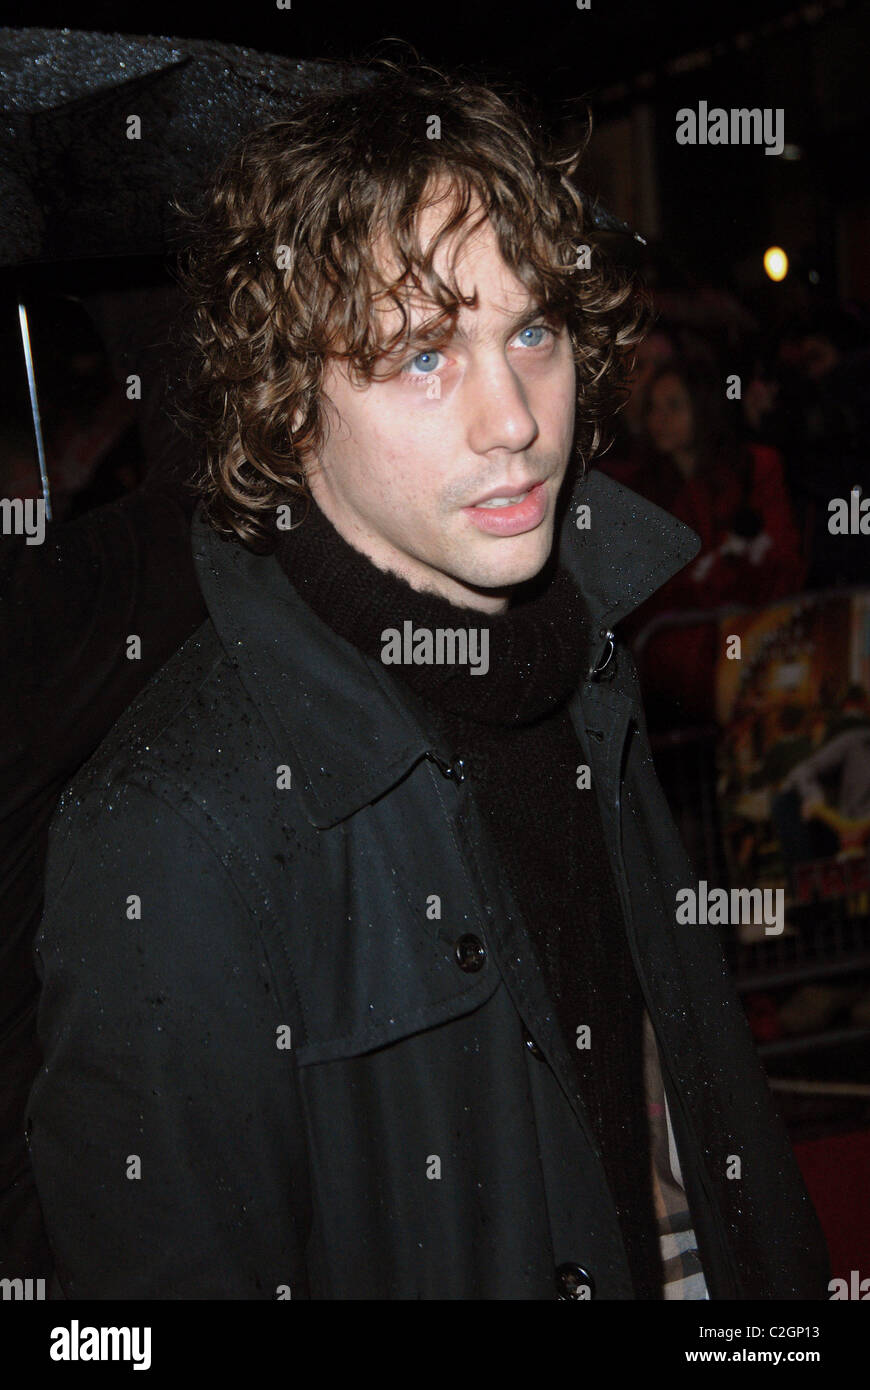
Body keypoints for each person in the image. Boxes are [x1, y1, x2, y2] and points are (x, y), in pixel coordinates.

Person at [26, 56, 830, 1301]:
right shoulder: (170, 832)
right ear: (290, 407)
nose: (513, 416)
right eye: (420, 356)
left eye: (532, 329)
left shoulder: (586, 669)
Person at [611, 359, 805, 729]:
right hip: (682, 647)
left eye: (674, 406)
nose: (659, 419)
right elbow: (646, 591)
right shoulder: (643, 488)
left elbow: (782, 561)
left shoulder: (753, 467)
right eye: (653, 408)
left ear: (703, 407)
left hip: (753, 628)